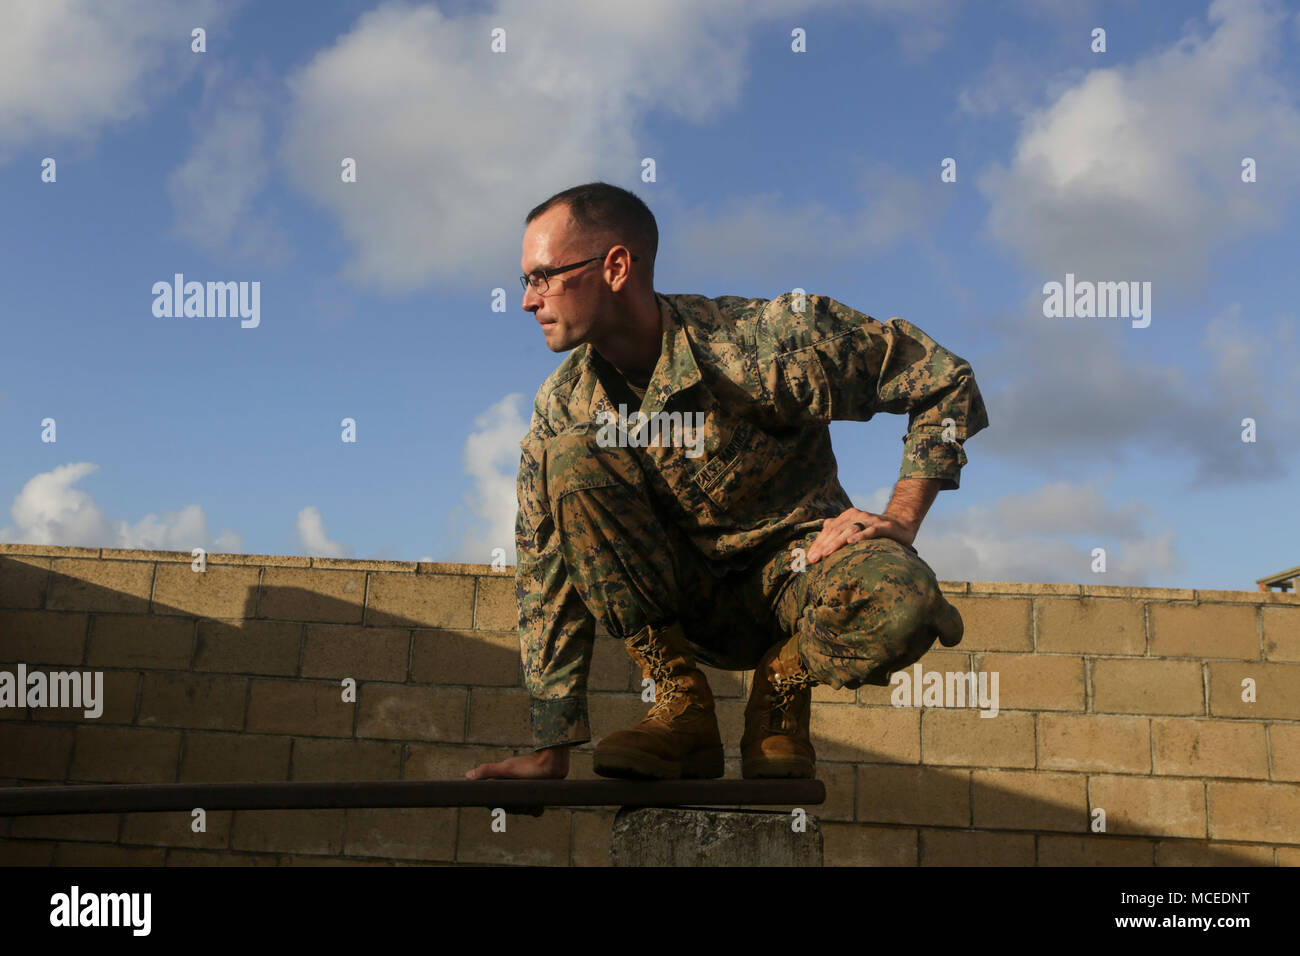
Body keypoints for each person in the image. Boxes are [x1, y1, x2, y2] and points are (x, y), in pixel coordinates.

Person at [467, 181, 988, 782]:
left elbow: (943, 379)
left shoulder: (760, 341)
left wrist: (901, 517)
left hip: (803, 582)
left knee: (906, 599)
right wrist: (550, 750)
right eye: (526, 281)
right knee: (576, 456)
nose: (528, 301)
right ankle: (680, 708)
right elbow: (544, 571)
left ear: (615, 266)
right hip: (681, 605)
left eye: (543, 277)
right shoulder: (563, 406)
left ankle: (781, 688)